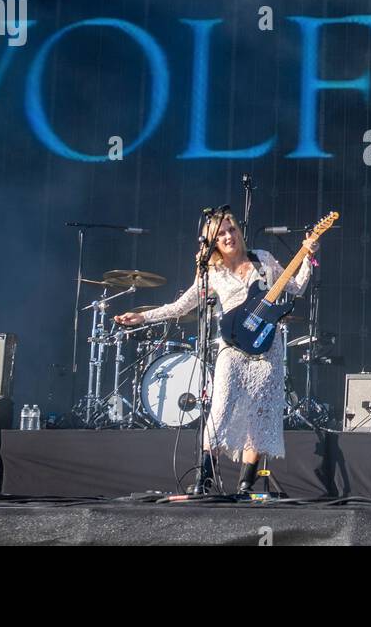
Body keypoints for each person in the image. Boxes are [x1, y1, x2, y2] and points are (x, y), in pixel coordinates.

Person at [115, 209, 319, 494]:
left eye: (231, 230)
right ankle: (204, 478)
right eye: (220, 234)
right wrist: (143, 317)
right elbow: (181, 306)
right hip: (232, 348)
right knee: (220, 410)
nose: (228, 237)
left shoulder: (262, 259)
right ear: (212, 243)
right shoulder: (212, 273)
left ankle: (246, 484)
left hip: (266, 349)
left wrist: (307, 257)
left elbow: (295, 288)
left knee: (260, 416)